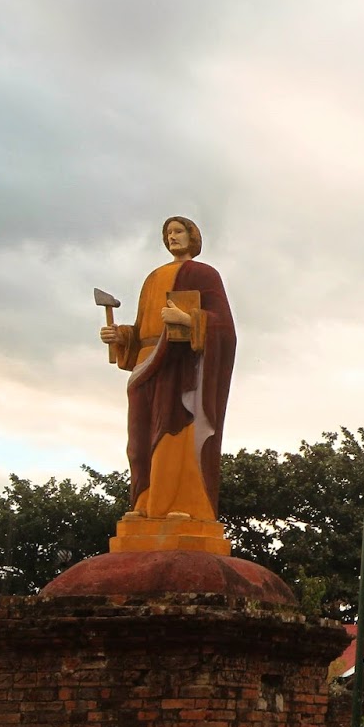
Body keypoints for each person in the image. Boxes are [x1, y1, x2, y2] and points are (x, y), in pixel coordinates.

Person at [100, 216, 236, 527]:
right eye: (168, 233)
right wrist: (119, 336)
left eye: (178, 231)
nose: (172, 237)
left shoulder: (204, 274)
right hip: (147, 363)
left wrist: (189, 320)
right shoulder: (153, 278)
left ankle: (184, 503)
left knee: (176, 436)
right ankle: (144, 501)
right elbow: (141, 330)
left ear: (192, 237)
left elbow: (224, 327)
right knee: (140, 439)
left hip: (180, 363)